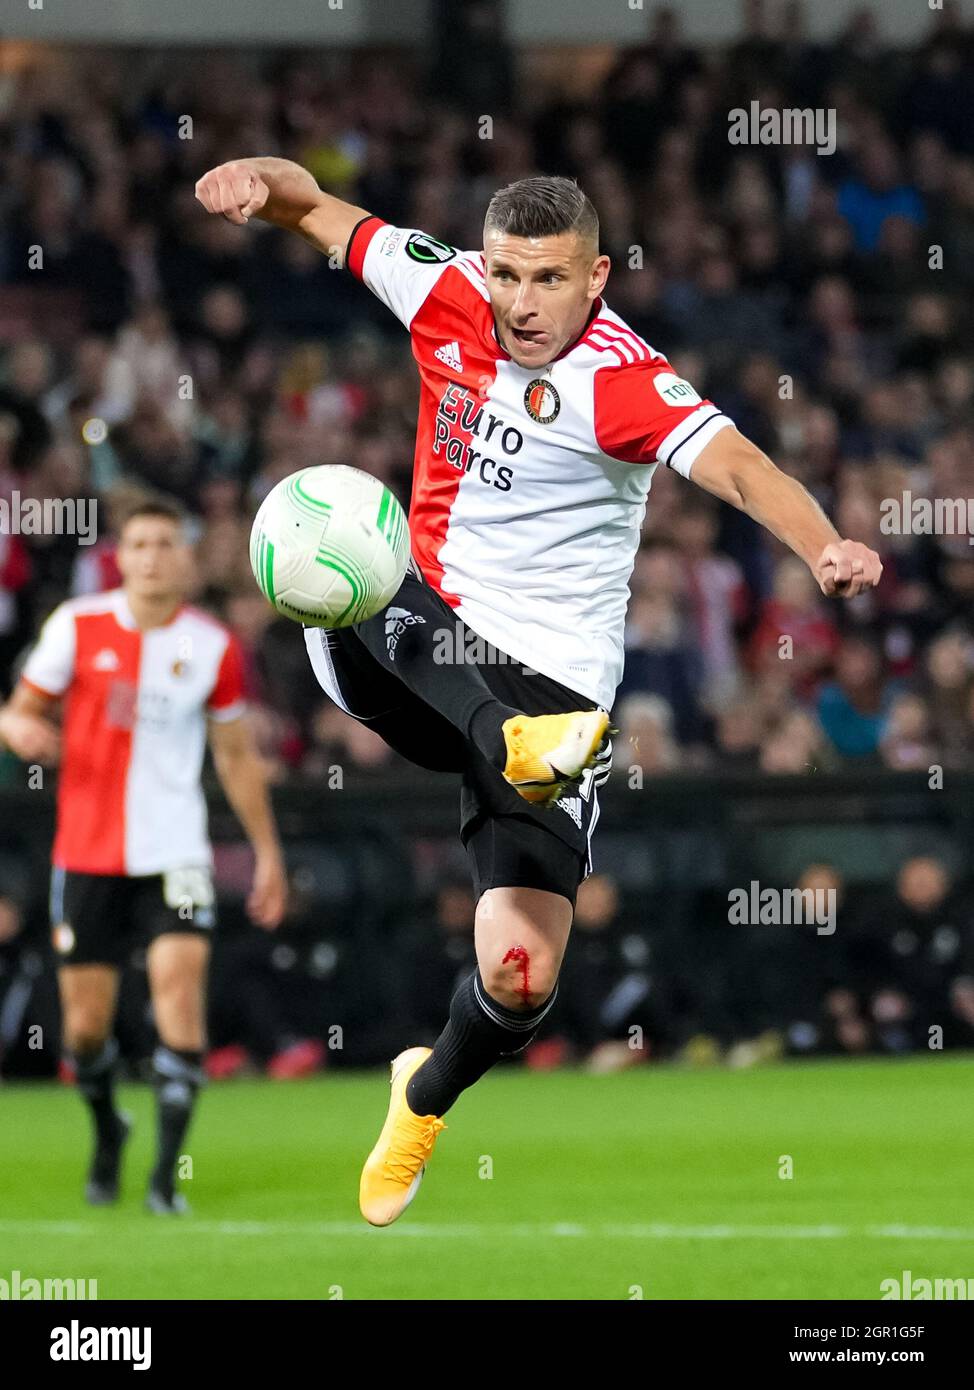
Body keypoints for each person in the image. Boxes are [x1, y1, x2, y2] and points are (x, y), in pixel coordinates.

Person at [195, 158, 883, 1227]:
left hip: (554, 679)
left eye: (548, 280)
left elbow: (742, 466)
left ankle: (422, 1093)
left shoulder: (625, 381)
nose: (520, 303)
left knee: (518, 978)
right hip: (401, 628)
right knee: (332, 526)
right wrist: (256, 179)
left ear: (595, 276)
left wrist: (824, 544)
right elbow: (314, 205)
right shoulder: (440, 284)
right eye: (506, 273)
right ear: (484, 260)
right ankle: (505, 734)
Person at [0, 500, 288, 1212]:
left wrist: (268, 855)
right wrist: (18, 729)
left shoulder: (214, 646)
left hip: (175, 851)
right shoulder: (77, 626)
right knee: (85, 1029)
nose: (153, 556)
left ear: (186, 561)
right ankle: (108, 1128)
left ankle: (165, 1180)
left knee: (179, 998)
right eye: (140, 544)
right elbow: (21, 709)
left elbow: (234, 755)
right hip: (88, 853)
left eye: (167, 542)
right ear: (120, 558)